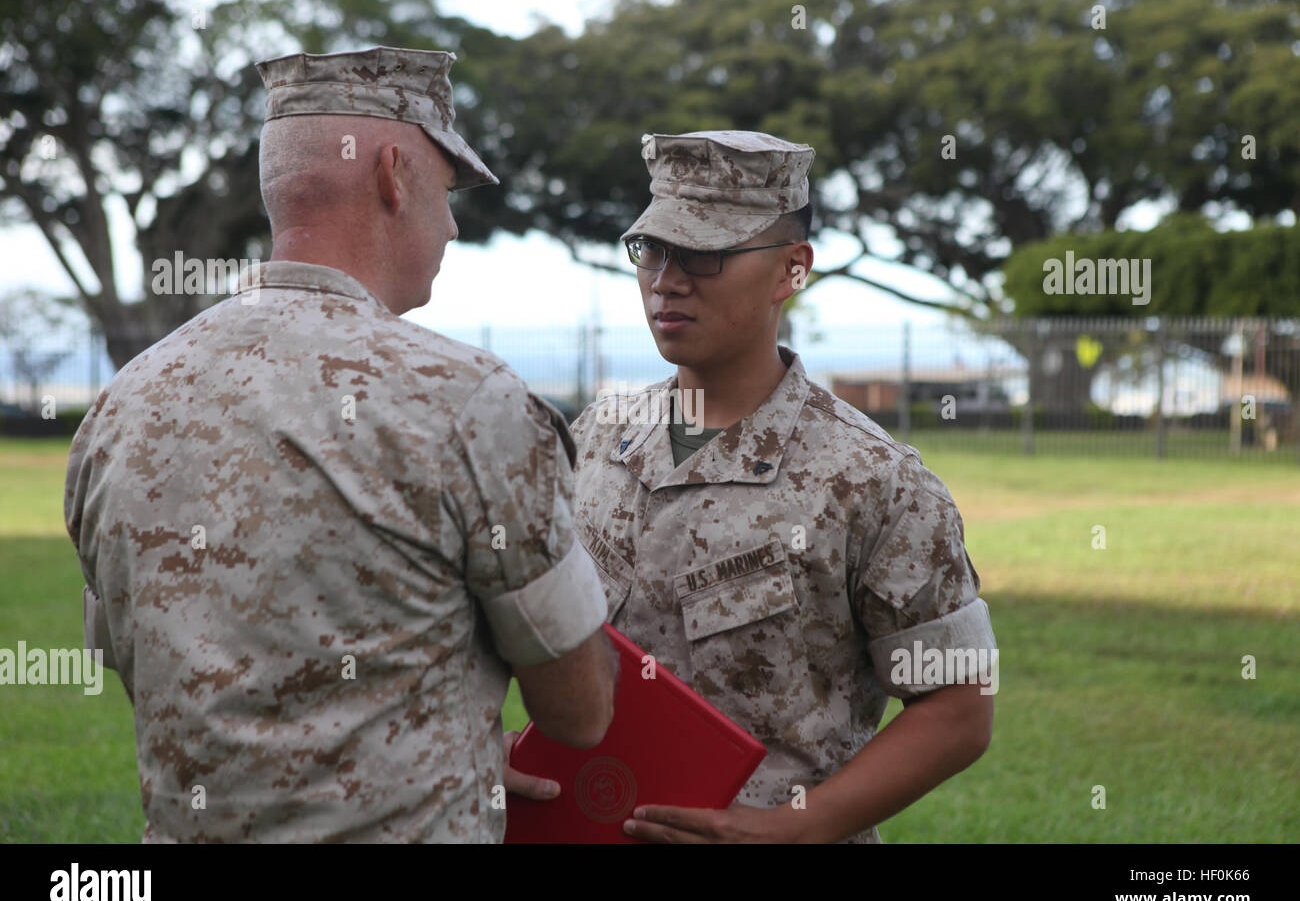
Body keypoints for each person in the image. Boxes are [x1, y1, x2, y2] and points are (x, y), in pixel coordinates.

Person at [63, 47, 615, 843]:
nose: (454, 224)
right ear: (394, 173)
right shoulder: (469, 402)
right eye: (448, 189)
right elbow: (581, 711)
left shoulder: (119, 408)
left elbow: (157, 672)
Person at [510, 130, 996, 843]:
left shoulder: (873, 480)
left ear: (790, 271)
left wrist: (796, 825)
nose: (667, 279)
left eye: (704, 254)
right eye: (651, 250)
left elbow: (959, 705)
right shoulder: (596, 438)